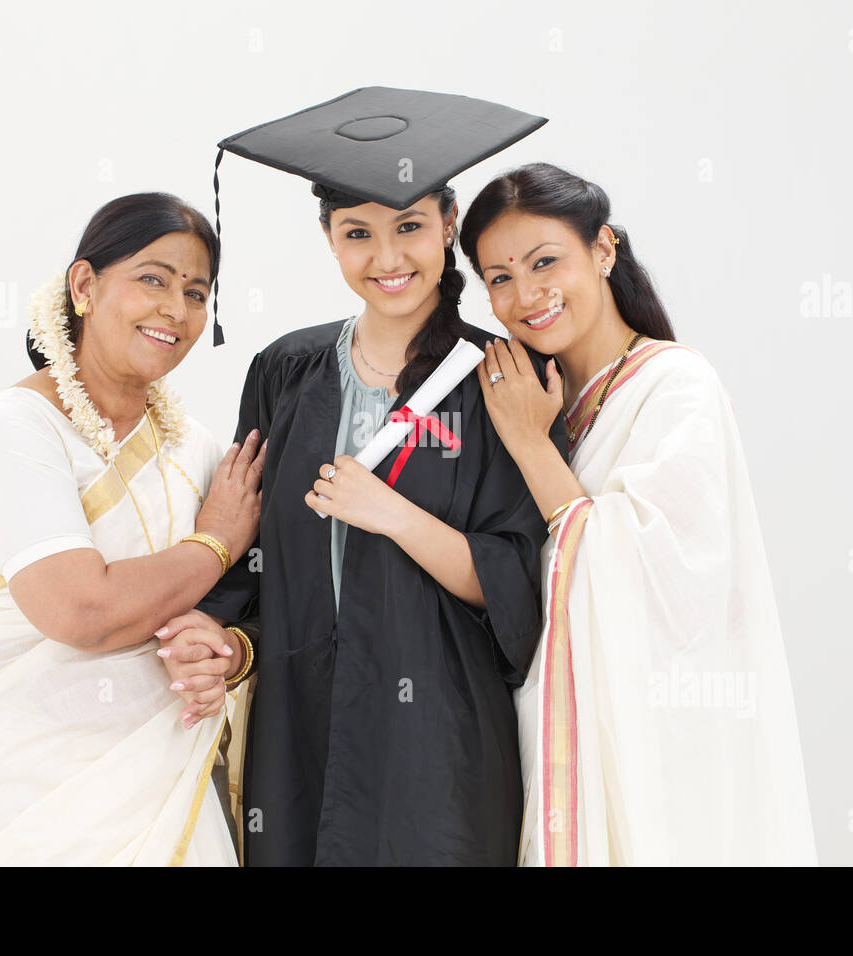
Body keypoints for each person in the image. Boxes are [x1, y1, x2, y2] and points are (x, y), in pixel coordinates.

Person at [156, 87, 561, 865]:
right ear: (328, 239)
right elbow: (253, 561)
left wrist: (393, 514)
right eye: (358, 234)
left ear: (448, 224)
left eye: (410, 227)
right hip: (301, 722)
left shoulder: (500, 375)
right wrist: (218, 630)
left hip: (438, 733)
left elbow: (520, 575)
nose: (387, 258)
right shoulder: (286, 371)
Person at [460, 162, 818, 865]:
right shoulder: (541, 398)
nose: (526, 294)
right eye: (499, 278)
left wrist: (531, 445)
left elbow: (662, 582)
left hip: (658, 746)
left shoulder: (676, 387)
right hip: (554, 734)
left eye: (545, 262)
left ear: (602, 250)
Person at [0, 192, 265, 866]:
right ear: (84, 285)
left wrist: (227, 651)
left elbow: (248, 604)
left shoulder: (196, 449)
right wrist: (215, 543)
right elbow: (80, 608)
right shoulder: (16, 427)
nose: (177, 309)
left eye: (197, 292)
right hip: (32, 783)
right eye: (153, 278)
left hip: (167, 774)